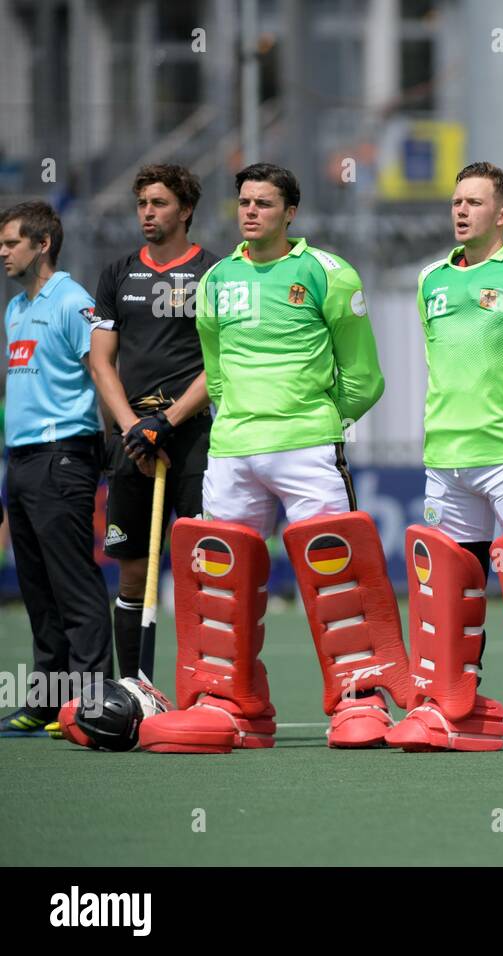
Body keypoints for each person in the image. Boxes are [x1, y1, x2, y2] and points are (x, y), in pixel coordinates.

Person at [138, 163, 402, 753]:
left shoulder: (329, 274)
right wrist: (239, 422)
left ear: (290, 213)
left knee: (336, 574)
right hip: (232, 452)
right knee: (223, 582)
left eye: (263, 203)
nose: (250, 211)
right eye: (244, 201)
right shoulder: (215, 280)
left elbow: (364, 377)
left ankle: (360, 700)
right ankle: (232, 704)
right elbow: (219, 370)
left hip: (308, 446)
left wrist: (316, 420)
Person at [387, 161, 503, 748]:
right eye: (455, 201)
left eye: (473, 202)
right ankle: (456, 709)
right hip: (446, 459)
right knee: (449, 592)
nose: (461, 211)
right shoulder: (430, 281)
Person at [88, 164, 221, 683]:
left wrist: (166, 421)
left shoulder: (213, 272)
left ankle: (207, 689)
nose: (148, 212)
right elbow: (101, 363)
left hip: (192, 438)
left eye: (159, 203)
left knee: (202, 569)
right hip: (132, 440)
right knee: (133, 571)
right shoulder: (117, 273)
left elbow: (221, 362)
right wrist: (134, 428)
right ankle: (134, 688)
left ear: (185, 210)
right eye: (143, 203)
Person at [0, 200, 112, 736]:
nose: (2, 252)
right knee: (37, 588)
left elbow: (102, 371)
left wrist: (125, 435)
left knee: (73, 584)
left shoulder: (73, 302)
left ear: (42, 244)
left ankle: (92, 703)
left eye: (10, 243)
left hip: (62, 455)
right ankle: (48, 702)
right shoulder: (15, 309)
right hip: (20, 461)